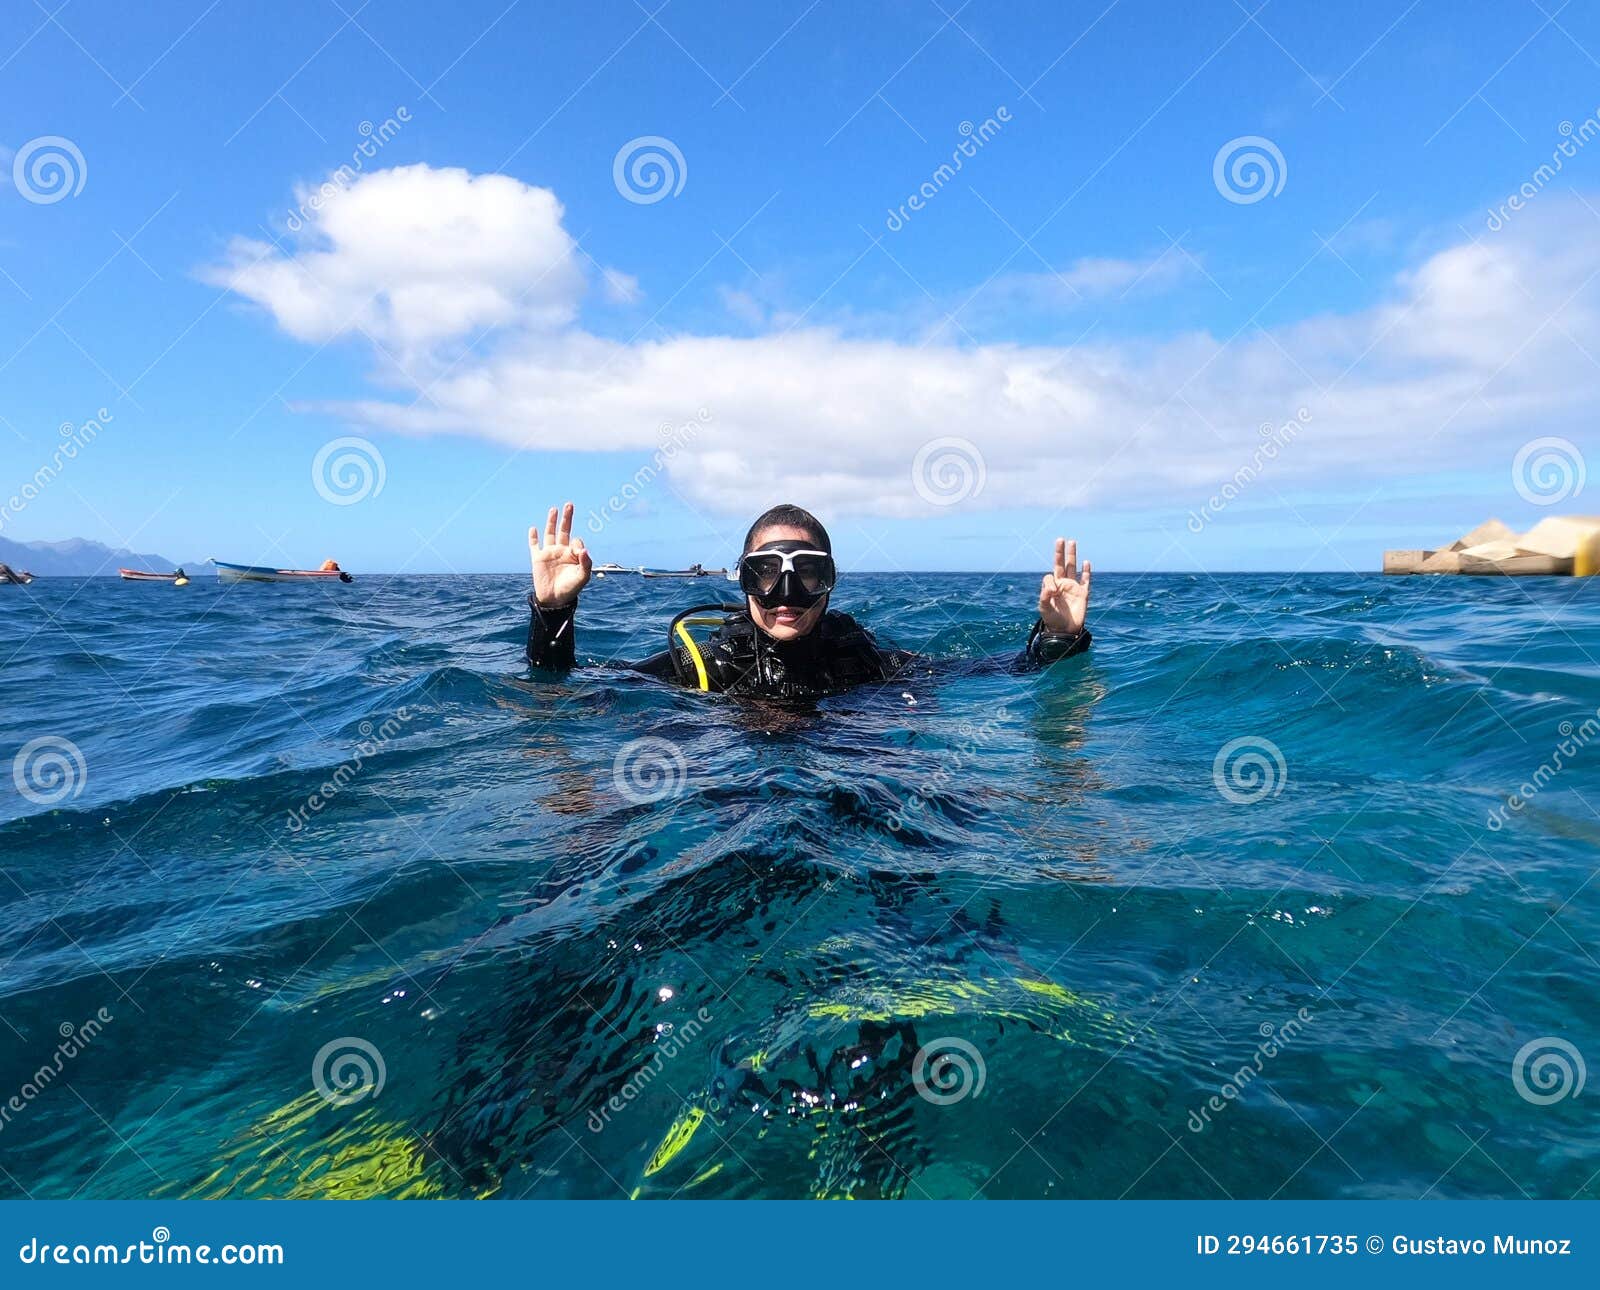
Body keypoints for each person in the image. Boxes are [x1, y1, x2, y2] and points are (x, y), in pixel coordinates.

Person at [525, 501, 1092, 698]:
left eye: (809, 575)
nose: (785, 595)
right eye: (765, 575)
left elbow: (997, 671)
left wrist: (1057, 640)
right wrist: (553, 612)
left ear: (832, 581)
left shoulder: (864, 662)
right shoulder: (708, 666)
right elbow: (566, 687)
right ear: (741, 581)